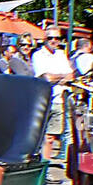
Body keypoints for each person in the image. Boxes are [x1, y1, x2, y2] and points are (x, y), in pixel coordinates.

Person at [31, 27, 74, 161]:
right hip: (43, 99)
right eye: (50, 38)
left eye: (57, 38)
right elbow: (46, 78)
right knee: (38, 135)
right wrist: (62, 76)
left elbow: (71, 75)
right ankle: (38, 165)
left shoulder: (61, 54)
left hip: (59, 99)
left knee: (50, 137)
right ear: (45, 39)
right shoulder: (38, 55)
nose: (54, 41)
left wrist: (57, 77)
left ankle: (46, 167)